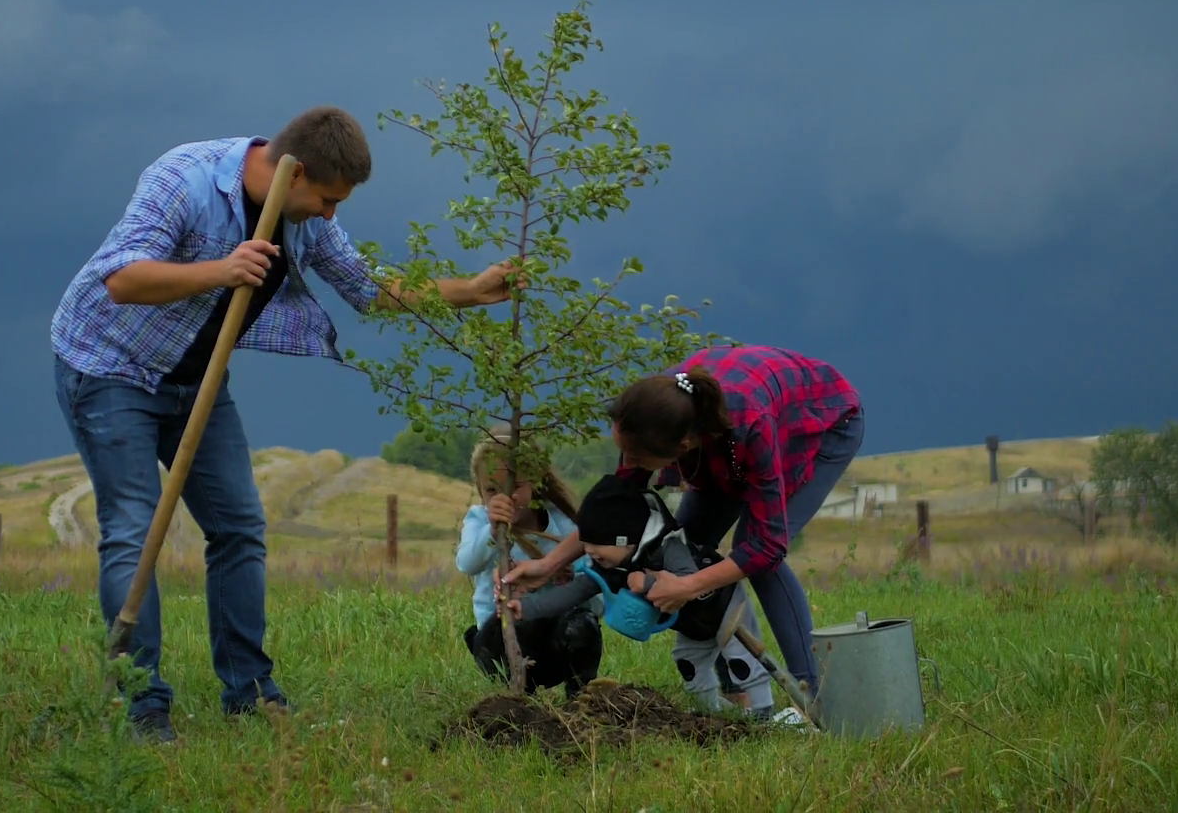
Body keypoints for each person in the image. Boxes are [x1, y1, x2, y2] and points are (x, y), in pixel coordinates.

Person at [50, 107, 517, 741]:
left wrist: (473, 289)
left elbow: (369, 290)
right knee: (134, 532)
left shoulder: (309, 219)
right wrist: (223, 269)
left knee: (240, 525)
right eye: (326, 200)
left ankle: (248, 691)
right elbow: (122, 278)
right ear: (293, 173)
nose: (330, 216)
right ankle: (142, 703)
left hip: (198, 382)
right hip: (110, 367)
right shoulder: (183, 180)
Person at [502, 344, 863, 713]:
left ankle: (814, 696)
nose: (629, 462)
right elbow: (616, 512)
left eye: (637, 459)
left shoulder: (749, 427)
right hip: (728, 433)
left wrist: (687, 585)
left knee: (757, 556)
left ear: (684, 446)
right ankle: (738, 691)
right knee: (683, 546)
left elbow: (765, 546)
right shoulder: (652, 413)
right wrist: (548, 565)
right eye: (624, 451)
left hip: (820, 424)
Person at [504, 472, 791, 719]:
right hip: (691, 625)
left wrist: (647, 582)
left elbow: (687, 583)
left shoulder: (668, 546)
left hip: (724, 607)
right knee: (689, 664)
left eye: (596, 544)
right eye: (585, 543)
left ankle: (762, 712)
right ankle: (710, 713)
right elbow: (573, 592)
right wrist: (525, 607)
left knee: (742, 660)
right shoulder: (610, 564)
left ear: (625, 539)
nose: (588, 551)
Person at [454, 429, 602, 696]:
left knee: (583, 624)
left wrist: (570, 577)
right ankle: (519, 702)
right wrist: (493, 531)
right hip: (498, 641)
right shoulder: (479, 520)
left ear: (534, 481)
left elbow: (596, 596)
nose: (503, 497)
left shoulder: (563, 524)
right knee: (521, 620)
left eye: (514, 487)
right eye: (491, 490)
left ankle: (580, 697)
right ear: (479, 489)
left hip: (555, 640)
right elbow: (467, 564)